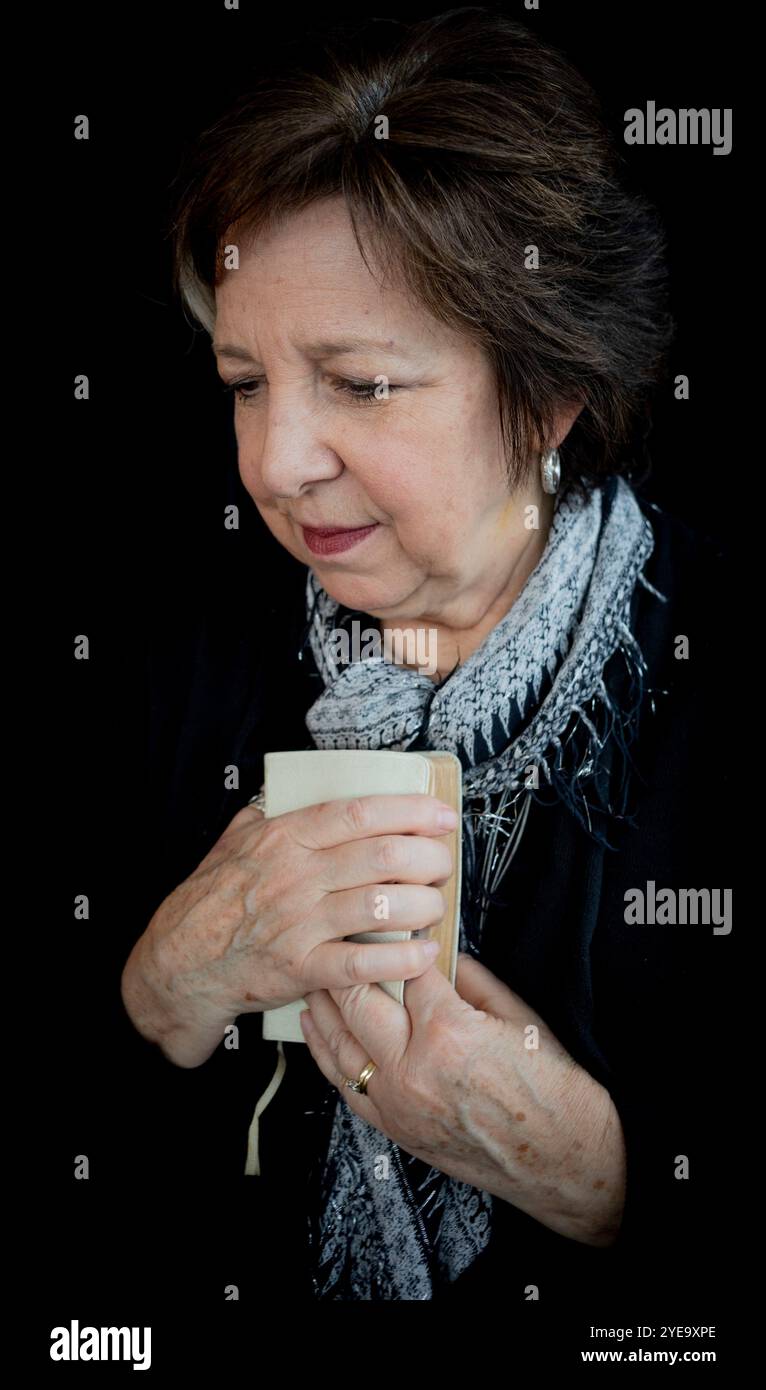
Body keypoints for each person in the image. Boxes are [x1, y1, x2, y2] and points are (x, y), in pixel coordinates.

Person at [120, 9, 733, 1306]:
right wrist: (164, 983)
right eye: (244, 381)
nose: (276, 464)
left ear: (547, 394)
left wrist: (599, 1176)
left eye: (359, 382)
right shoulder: (169, 643)